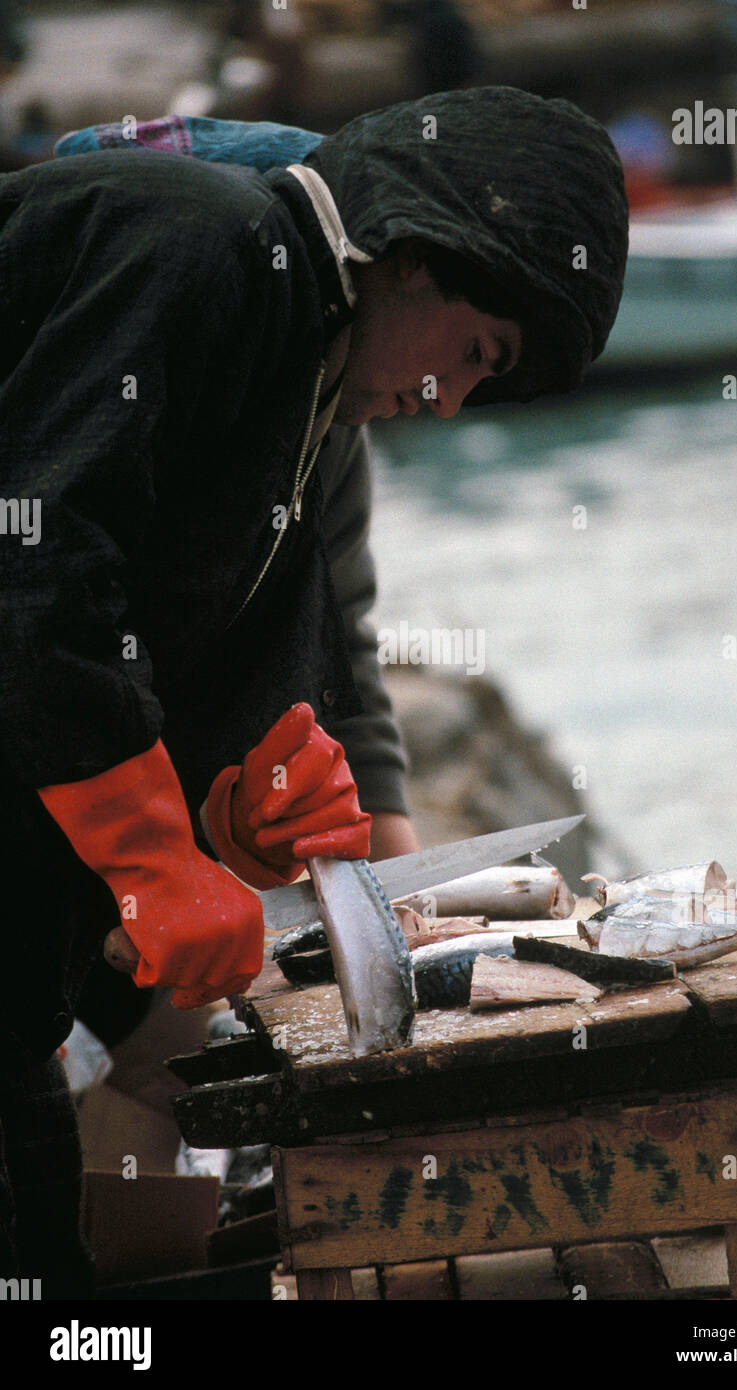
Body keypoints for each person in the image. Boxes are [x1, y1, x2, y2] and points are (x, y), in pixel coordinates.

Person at [0, 86, 628, 1294]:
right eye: (474, 356)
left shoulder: (301, 359)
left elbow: (201, 617)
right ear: (417, 256)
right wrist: (151, 856)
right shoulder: (200, 239)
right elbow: (36, 568)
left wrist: (245, 779)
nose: (447, 400)